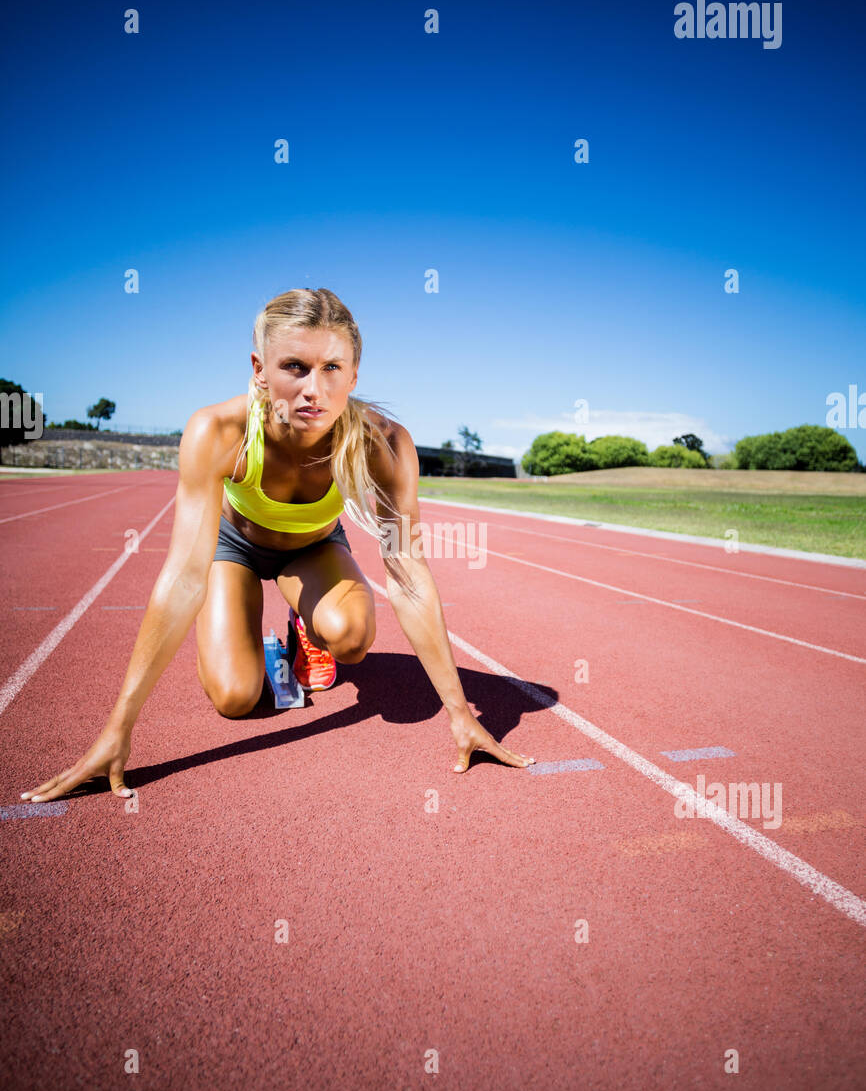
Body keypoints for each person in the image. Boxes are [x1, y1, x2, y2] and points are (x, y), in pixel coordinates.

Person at [21, 287, 534, 802]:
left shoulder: (387, 445)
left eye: (332, 368)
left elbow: (408, 574)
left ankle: (305, 625)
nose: (315, 389)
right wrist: (118, 730)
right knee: (236, 697)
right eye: (295, 366)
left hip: (312, 549)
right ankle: (268, 650)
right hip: (234, 549)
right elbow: (183, 578)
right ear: (259, 368)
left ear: (354, 374)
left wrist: (460, 714)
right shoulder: (218, 431)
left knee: (352, 637)